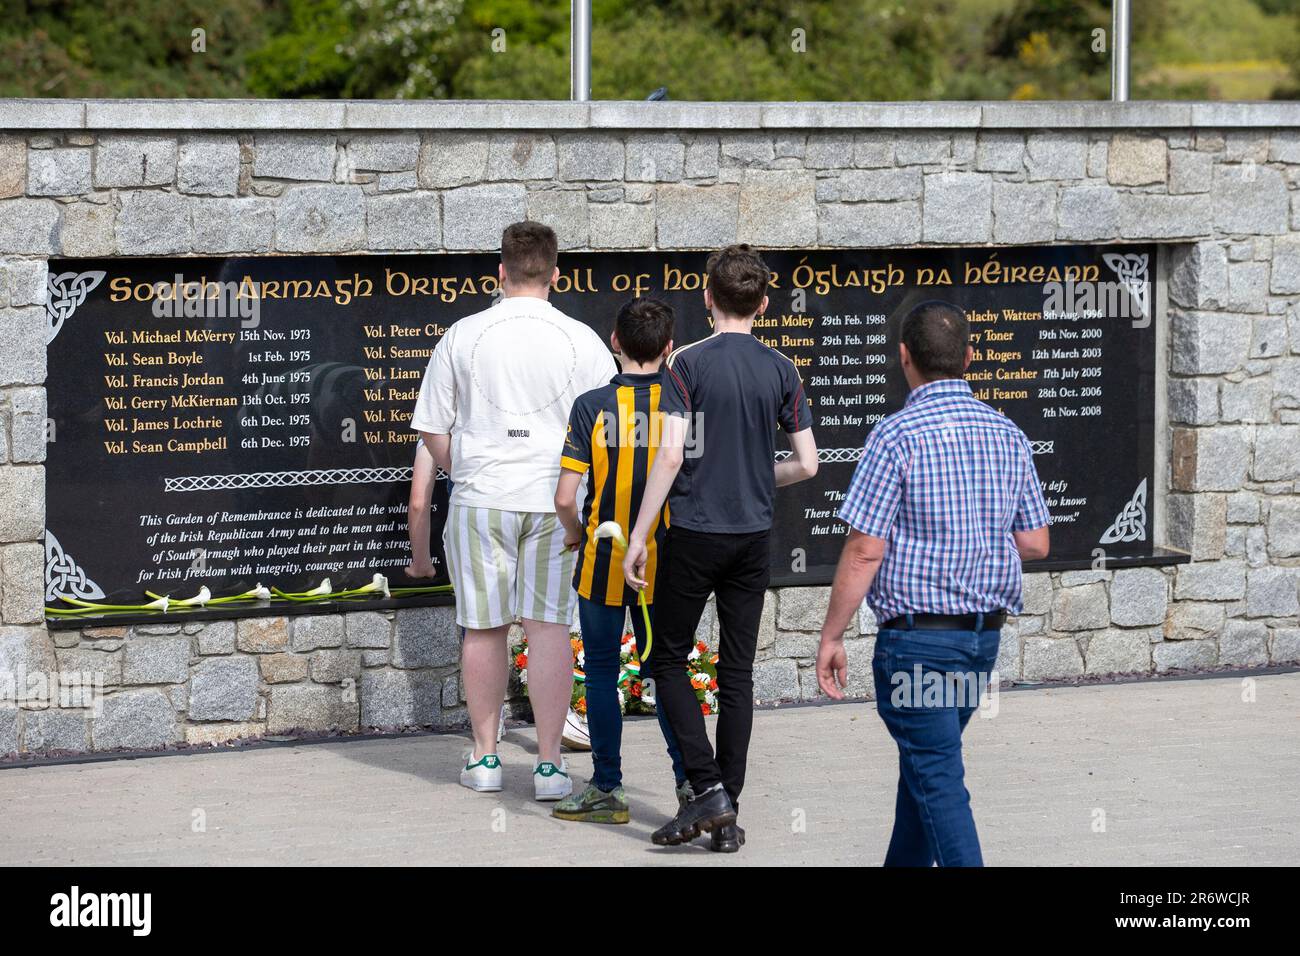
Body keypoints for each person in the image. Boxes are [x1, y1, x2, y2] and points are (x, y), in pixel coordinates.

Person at [815, 300, 1051, 867]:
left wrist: (832, 636)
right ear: (969, 356)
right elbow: (1035, 542)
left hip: (917, 644)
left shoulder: (895, 436)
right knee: (926, 770)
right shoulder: (1008, 433)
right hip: (979, 642)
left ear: (904, 356)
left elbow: (865, 548)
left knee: (938, 780)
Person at [411, 221, 616, 801]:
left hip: (483, 496)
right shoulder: (584, 341)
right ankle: (549, 766)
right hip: (556, 499)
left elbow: (432, 427)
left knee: (484, 626)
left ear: (500, 272)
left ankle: (486, 758)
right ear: (556, 275)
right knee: (549, 628)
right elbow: (609, 429)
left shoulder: (462, 334)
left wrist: (468, 468)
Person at [623, 244, 819, 852]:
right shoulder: (782, 368)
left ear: (707, 298)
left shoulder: (686, 363)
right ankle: (725, 814)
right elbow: (807, 464)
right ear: (764, 304)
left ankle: (707, 788)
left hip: (695, 532)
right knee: (737, 672)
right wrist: (759, 476)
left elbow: (671, 454)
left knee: (667, 660)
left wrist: (638, 535)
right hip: (752, 537)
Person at [551, 296, 689, 825]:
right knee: (667, 673)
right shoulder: (683, 403)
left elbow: (565, 497)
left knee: (602, 672)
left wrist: (574, 535)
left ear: (615, 341)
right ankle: (690, 785)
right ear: (669, 347)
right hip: (664, 561)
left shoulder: (591, 405)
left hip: (604, 557)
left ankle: (607, 787)